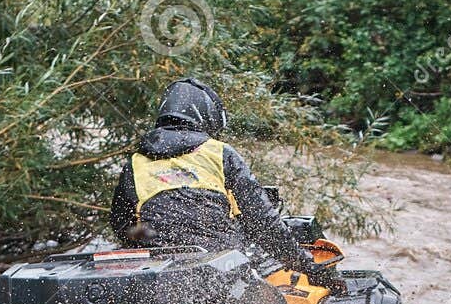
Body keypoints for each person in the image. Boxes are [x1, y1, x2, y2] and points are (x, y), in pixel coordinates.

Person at [109, 78, 342, 291]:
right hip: (223, 275)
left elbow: (123, 226)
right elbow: (263, 222)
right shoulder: (220, 153)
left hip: (160, 282)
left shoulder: (136, 163)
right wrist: (307, 266)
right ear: (207, 116)